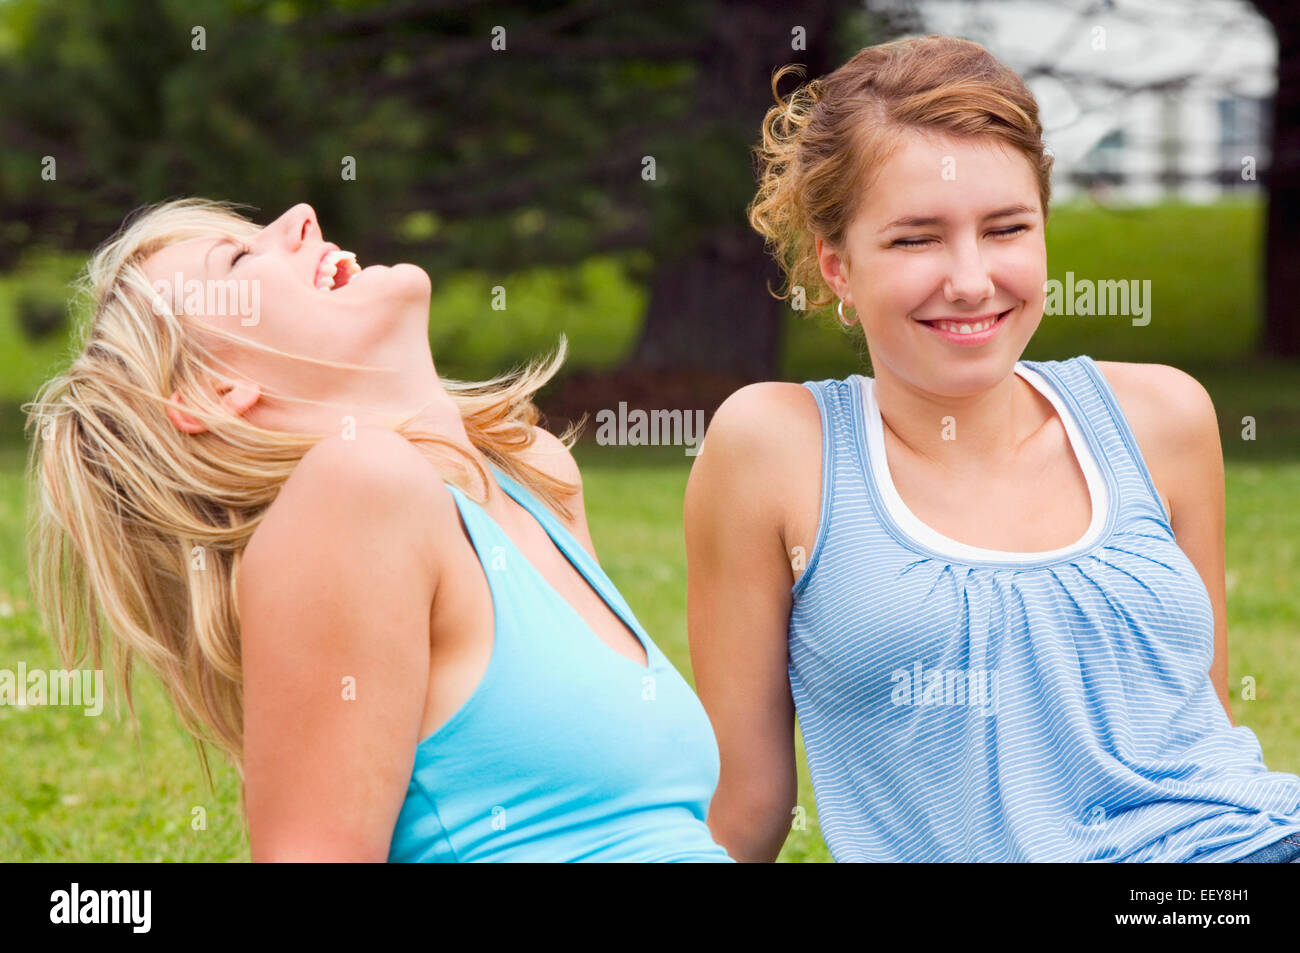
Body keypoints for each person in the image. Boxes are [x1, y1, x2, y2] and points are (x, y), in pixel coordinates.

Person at [684, 34, 1300, 863]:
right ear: (835, 265)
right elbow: (746, 807)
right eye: (916, 238)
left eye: (1006, 228)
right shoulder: (774, 446)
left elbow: (1202, 726)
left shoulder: (1162, 414)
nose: (972, 279)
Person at [26, 198, 733, 863]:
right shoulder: (355, 490)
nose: (300, 216)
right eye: (239, 262)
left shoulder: (536, 478)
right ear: (214, 391)